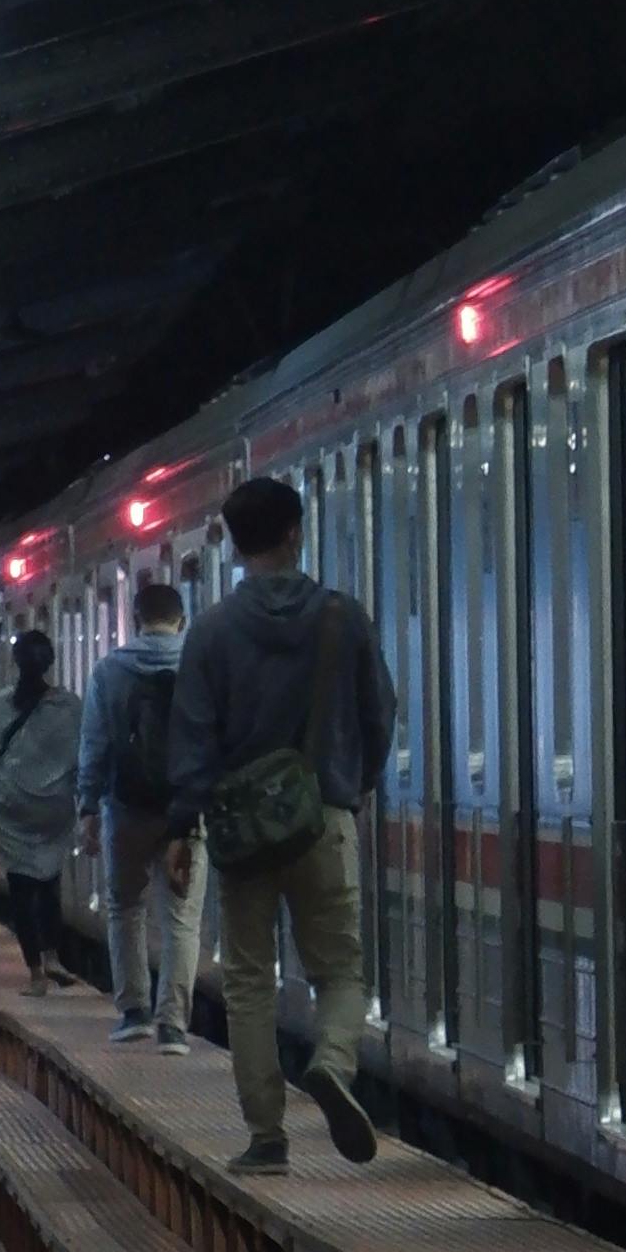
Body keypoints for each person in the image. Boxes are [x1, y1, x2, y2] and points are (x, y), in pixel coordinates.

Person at [166, 473, 394, 1172]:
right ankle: (331, 1061)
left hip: (241, 836)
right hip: (323, 816)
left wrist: (184, 826)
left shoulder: (209, 632)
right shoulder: (342, 617)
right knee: (341, 970)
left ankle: (267, 1137)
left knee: (247, 981)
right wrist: (351, 787)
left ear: (233, 545)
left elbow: (193, 735)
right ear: (296, 532)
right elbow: (380, 712)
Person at [77, 579, 207, 1045]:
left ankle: (134, 1012)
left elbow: (94, 743)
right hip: (186, 815)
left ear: (134, 621)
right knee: (181, 918)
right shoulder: (199, 666)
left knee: (125, 908)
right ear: (182, 620)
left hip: (125, 808)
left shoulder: (109, 670)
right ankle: (174, 1025)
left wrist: (87, 807)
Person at [0, 622, 84, 988]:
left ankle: (35, 974)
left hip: (11, 804)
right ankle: (53, 955)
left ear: (16, 662)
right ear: (50, 662)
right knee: (49, 880)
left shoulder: (0, 704)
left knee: (21, 889)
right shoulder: (69, 705)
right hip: (54, 808)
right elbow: (80, 757)